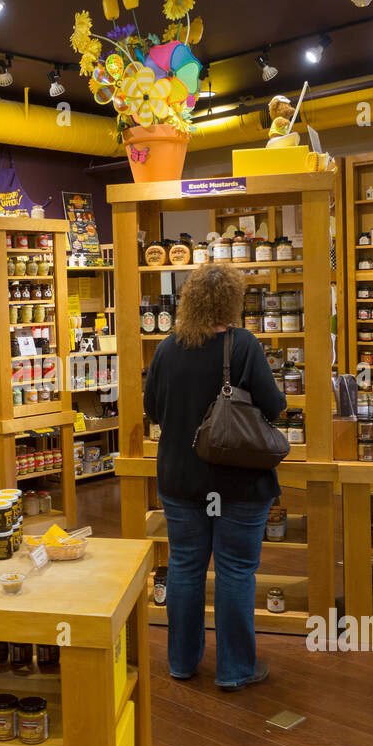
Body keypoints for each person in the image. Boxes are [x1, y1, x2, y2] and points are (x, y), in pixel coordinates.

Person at [143, 264, 285, 691]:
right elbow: (274, 405)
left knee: (185, 568)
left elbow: (153, 410)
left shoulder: (167, 349)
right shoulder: (243, 345)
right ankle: (235, 669)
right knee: (236, 570)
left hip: (181, 479)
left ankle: (182, 663)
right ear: (234, 301)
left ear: (189, 302)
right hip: (236, 483)